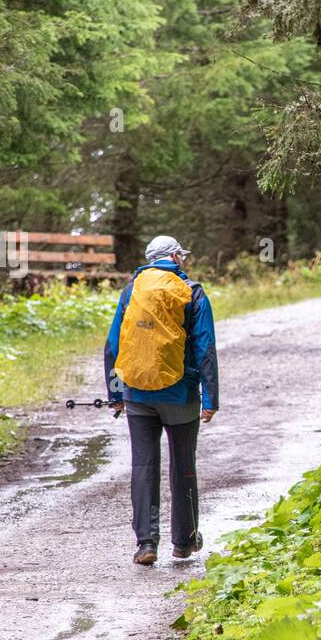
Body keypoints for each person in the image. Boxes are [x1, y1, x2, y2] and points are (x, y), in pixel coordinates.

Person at [104, 235, 218, 565]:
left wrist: (115, 394)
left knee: (143, 465)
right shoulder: (193, 292)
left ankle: (146, 544)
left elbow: (113, 345)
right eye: (181, 255)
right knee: (183, 465)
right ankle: (183, 542)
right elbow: (205, 349)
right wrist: (210, 398)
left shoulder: (132, 290)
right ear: (174, 257)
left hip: (138, 394)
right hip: (180, 395)